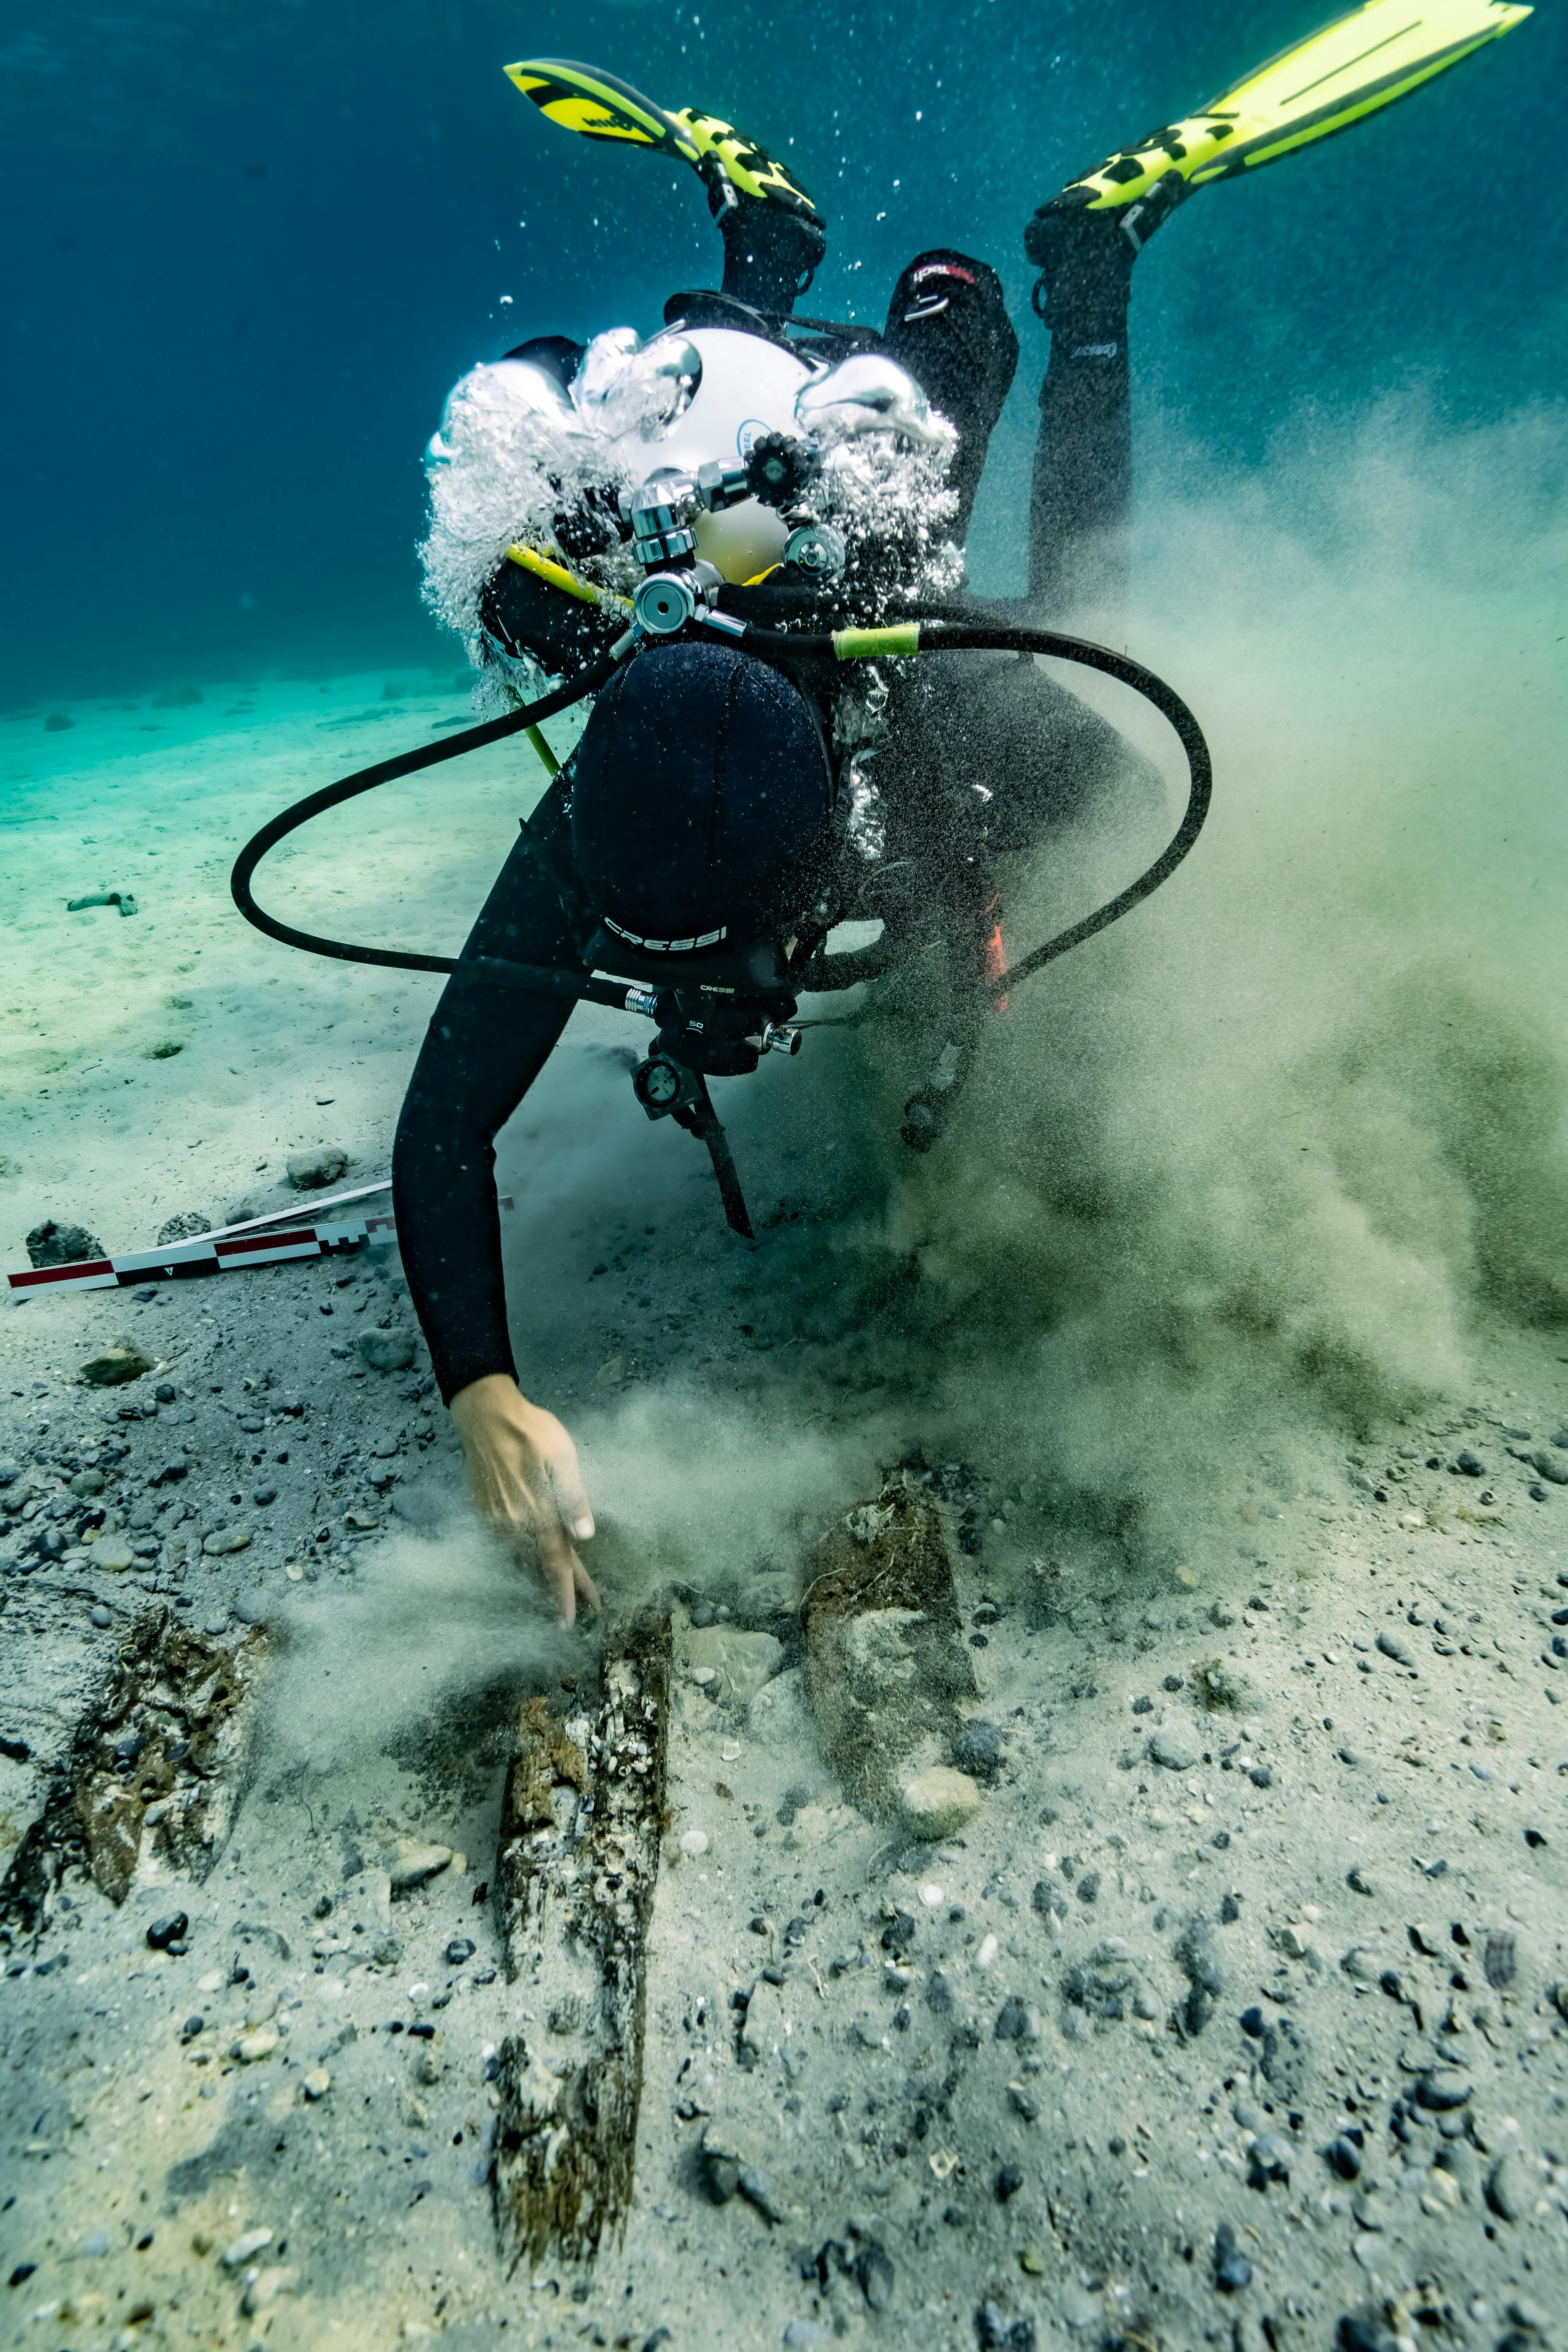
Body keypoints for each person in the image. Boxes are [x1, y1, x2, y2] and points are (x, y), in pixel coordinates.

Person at [392, 5, 1530, 1622]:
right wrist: (481, 1392)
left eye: (731, 954)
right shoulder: (599, 793)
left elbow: (1140, 802)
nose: (719, 996)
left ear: (837, 830)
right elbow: (443, 1125)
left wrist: (1027, 976)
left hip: (857, 570)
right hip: (673, 554)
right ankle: (760, 248)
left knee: (974, 417)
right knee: (577, 536)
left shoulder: (925, 718)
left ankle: (1089, 271)